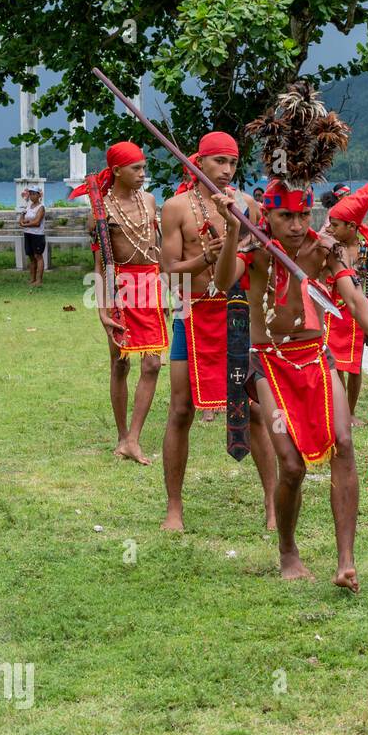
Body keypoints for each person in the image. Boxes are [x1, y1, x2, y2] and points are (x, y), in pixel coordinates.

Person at [210, 178, 362, 589]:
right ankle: (287, 550)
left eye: (303, 215)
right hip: (269, 361)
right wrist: (230, 231)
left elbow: (349, 294)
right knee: (291, 465)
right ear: (267, 215)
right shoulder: (253, 249)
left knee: (343, 444)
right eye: (285, 216)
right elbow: (224, 283)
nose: (296, 225)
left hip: (316, 356)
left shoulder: (322, 249)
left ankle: (345, 560)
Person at [159, 131, 279, 531]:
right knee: (180, 410)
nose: (227, 170)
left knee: (257, 411)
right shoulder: (175, 208)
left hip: (238, 315)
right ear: (199, 163)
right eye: (218, 162)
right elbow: (168, 270)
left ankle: (272, 505)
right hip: (191, 315)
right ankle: (174, 508)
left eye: (232, 163)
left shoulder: (248, 207)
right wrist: (200, 261)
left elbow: (257, 263)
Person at [74, 142, 167, 465]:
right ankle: (121, 434)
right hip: (120, 288)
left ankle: (134, 439)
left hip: (150, 285)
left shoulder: (151, 201)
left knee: (153, 363)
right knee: (120, 363)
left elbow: (158, 250)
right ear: (116, 172)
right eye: (136, 169)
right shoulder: (101, 212)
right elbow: (100, 263)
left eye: (144, 167)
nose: (143, 174)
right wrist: (102, 309)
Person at [322, 184, 368, 423]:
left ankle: (351, 411)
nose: (330, 228)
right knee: (332, 363)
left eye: (335, 225)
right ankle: (335, 411)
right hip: (331, 310)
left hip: (355, 314)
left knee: (354, 365)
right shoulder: (328, 248)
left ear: (352, 227)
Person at [19, 186, 46, 286]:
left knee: (38, 256)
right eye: (30, 194)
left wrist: (25, 224)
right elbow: (22, 219)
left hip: (37, 234)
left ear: (39, 195)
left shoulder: (41, 207)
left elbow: (37, 222)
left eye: (34, 194)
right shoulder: (28, 207)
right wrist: (23, 219)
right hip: (28, 233)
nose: (32, 196)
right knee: (31, 257)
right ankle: (32, 278)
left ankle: (39, 280)